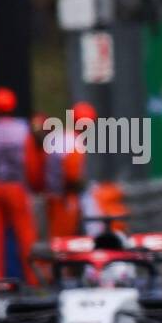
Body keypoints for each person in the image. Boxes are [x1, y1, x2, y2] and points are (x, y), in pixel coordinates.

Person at [0, 87, 41, 284]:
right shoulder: (21, 129)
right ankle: (34, 279)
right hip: (15, 187)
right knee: (26, 236)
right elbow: (30, 163)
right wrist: (34, 184)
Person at [43, 101, 94, 238]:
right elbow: (73, 177)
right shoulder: (75, 143)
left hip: (52, 194)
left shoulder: (59, 137)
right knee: (64, 239)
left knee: (55, 235)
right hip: (64, 198)